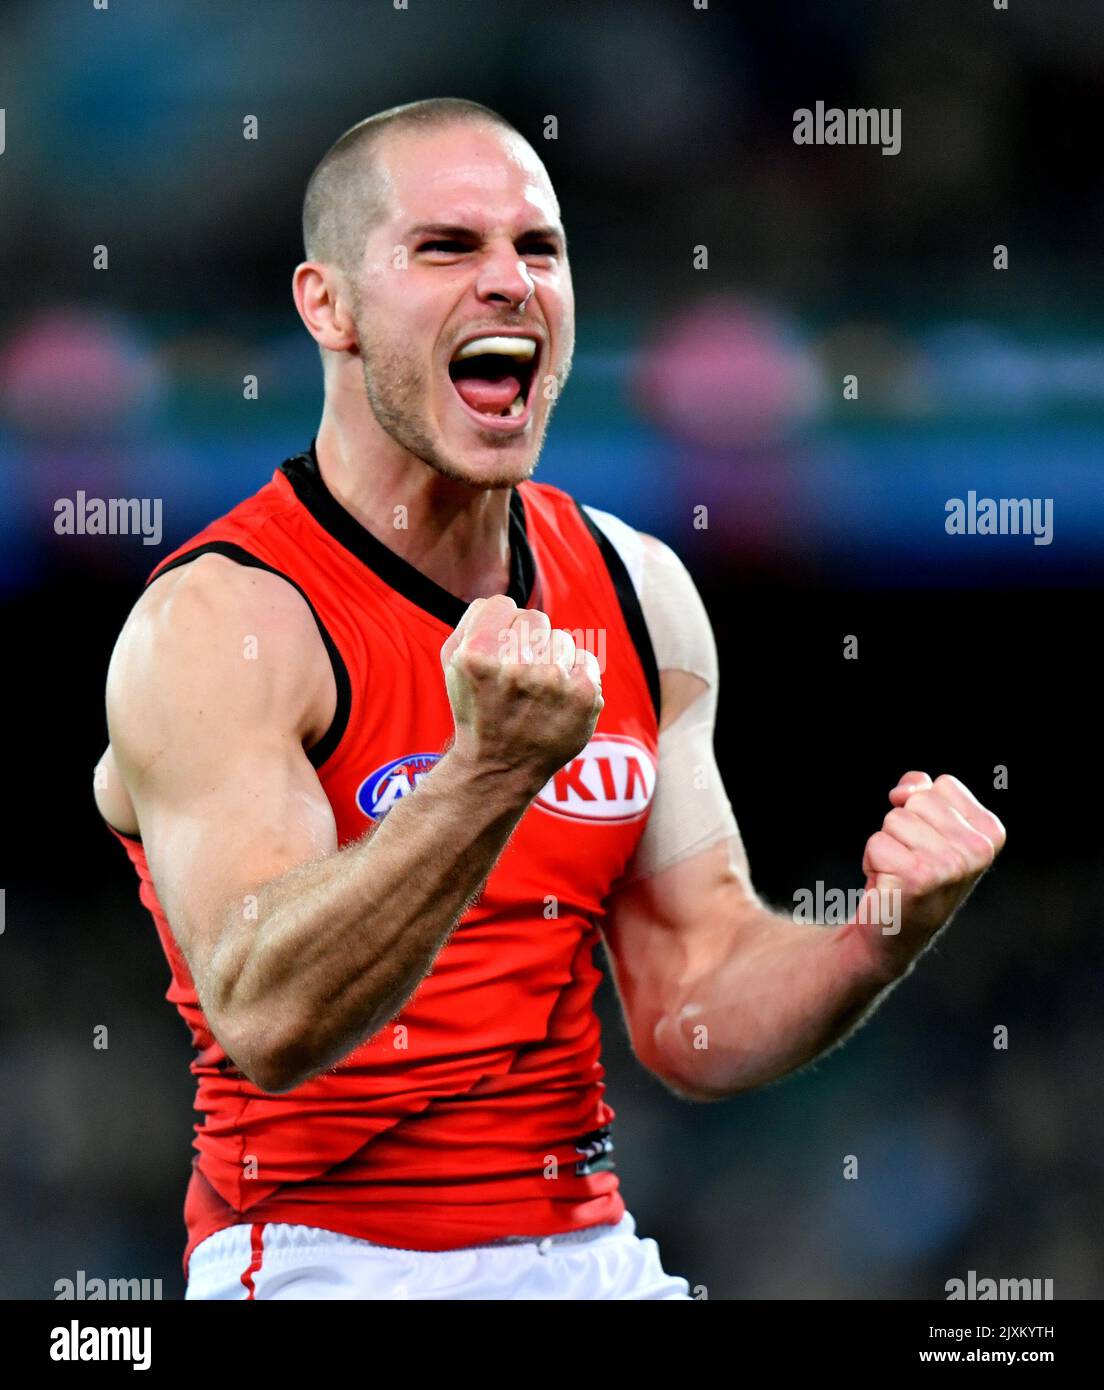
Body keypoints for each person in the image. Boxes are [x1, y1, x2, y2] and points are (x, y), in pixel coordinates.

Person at [94, 98, 1006, 1300]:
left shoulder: (638, 589)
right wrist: (489, 773)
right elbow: (268, 1017)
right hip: (322, 1262)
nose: (511, 283)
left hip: (590, 1256)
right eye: (447, 247)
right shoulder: (223, 623)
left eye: (539, 247)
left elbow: (693, 1004)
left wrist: (876, 933)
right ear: (328, 306)